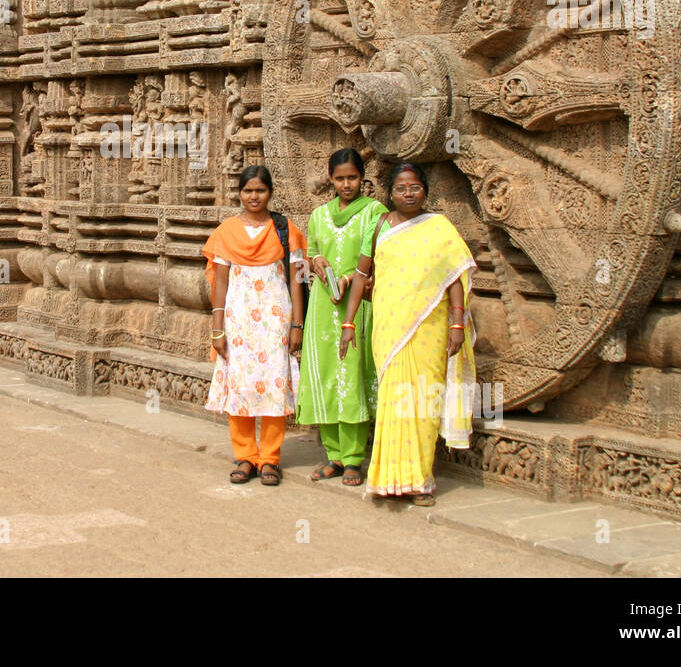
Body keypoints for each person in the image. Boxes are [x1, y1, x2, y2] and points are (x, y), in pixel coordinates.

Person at [338, 162, 477, 506]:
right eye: (401, 188)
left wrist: (457, 324)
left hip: (430, 327)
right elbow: (360, 275)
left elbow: (455, 277)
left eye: (415, 187)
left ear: (426, 191)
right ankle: (387, 479)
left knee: (422, 403)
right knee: (392, 401)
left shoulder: (439, 228)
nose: (408, 193)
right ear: (390, 193)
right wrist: (348, 322)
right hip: (389, 325)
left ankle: (419, 481)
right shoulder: (380, 225)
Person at [203, 165, 307, 486]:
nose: (253, 196)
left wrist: (297, 325)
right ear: (239, 193)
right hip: (238, 321)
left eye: (260, 190)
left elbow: (297, 279)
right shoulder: (226, 232)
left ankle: (271, 458)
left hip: (276, 320)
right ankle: (246, 455)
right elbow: (220, 282)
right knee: (240, 386)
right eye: (248, 191)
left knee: (275, 385)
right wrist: (217, 327)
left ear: (270, 192)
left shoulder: (286, 230)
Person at [299, 149, 388, 487]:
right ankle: (332, 456)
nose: (346, 184)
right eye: (340, 178)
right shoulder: (319, 215)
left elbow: (380, 258)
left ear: (363, 177)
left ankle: (353, 459)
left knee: (353, 377)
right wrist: (317, 263)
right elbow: (310, 255)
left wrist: (352, 278)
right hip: (323, 305)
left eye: (352, 177)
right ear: (330, 179)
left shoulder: (375, 213)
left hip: (357, 305)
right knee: (325, 376)